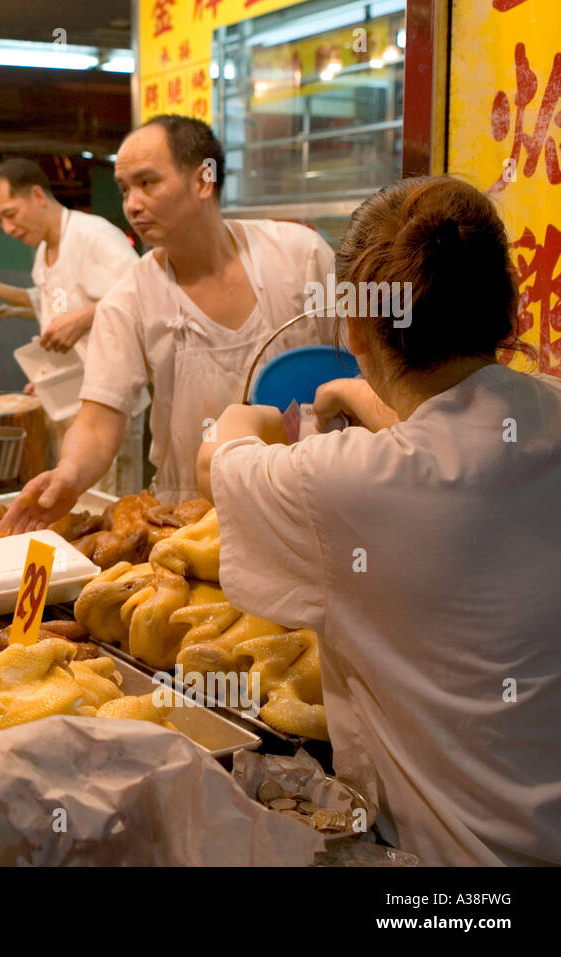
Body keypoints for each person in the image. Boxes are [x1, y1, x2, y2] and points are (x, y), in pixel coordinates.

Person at [197, 176, 561, 866]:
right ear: (506, 314)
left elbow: (216, 460)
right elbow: (454, 432)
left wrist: (257, 416)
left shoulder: (344, 483)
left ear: (357, 325)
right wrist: (361, 395)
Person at [2, 115, 335, 532]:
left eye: (148, 183)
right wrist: (68, 473)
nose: (132, 205)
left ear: (203, 180)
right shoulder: (128, 299)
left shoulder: (299, 257)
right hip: (191, 519)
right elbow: (97, 422)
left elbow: (360, 368)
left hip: (310, 501)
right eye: (125, 189)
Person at [0, 158, 145, 491]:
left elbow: (145, 296)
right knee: (72, 498)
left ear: (38, 196)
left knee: (110, 505)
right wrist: (47, 375)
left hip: (110, 403)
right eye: (0, 221)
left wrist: (84, 317)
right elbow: (56, 316)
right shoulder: (43, 252)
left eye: (10, 215)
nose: (9, 229)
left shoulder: (93, 235)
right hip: (67, 400)